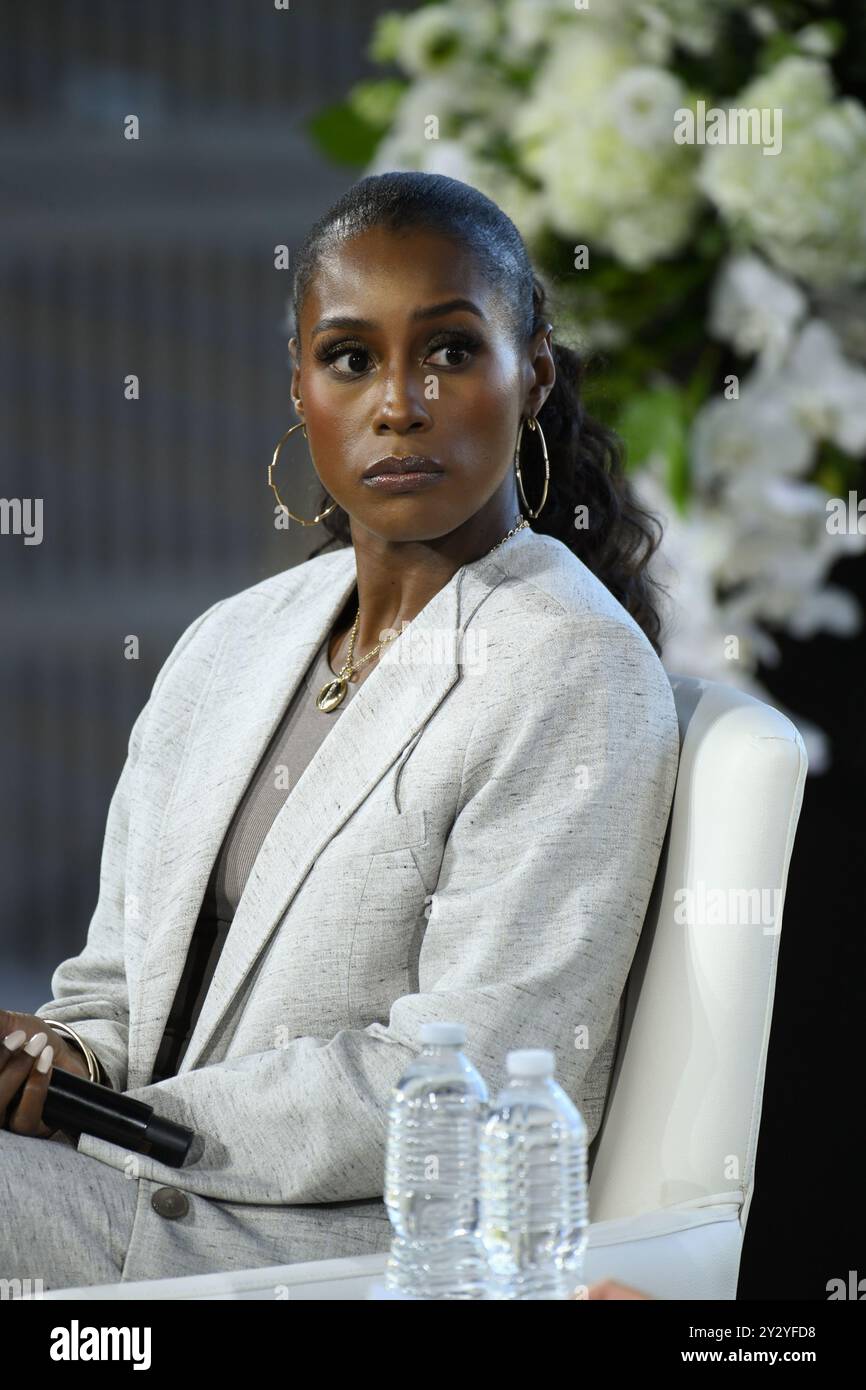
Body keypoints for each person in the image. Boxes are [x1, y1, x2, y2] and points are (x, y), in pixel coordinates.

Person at [1, 171, 681, 1292]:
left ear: (533, 373)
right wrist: (59, 1058)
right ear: (300, 385)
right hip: (121, 1186)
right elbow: (113, 988)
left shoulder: (572, 668)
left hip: (316, 1252)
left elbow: (467, 1073)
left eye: (451, 352)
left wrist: (107, 1112)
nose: (398, 402)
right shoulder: (231, 642)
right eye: (351, 358)